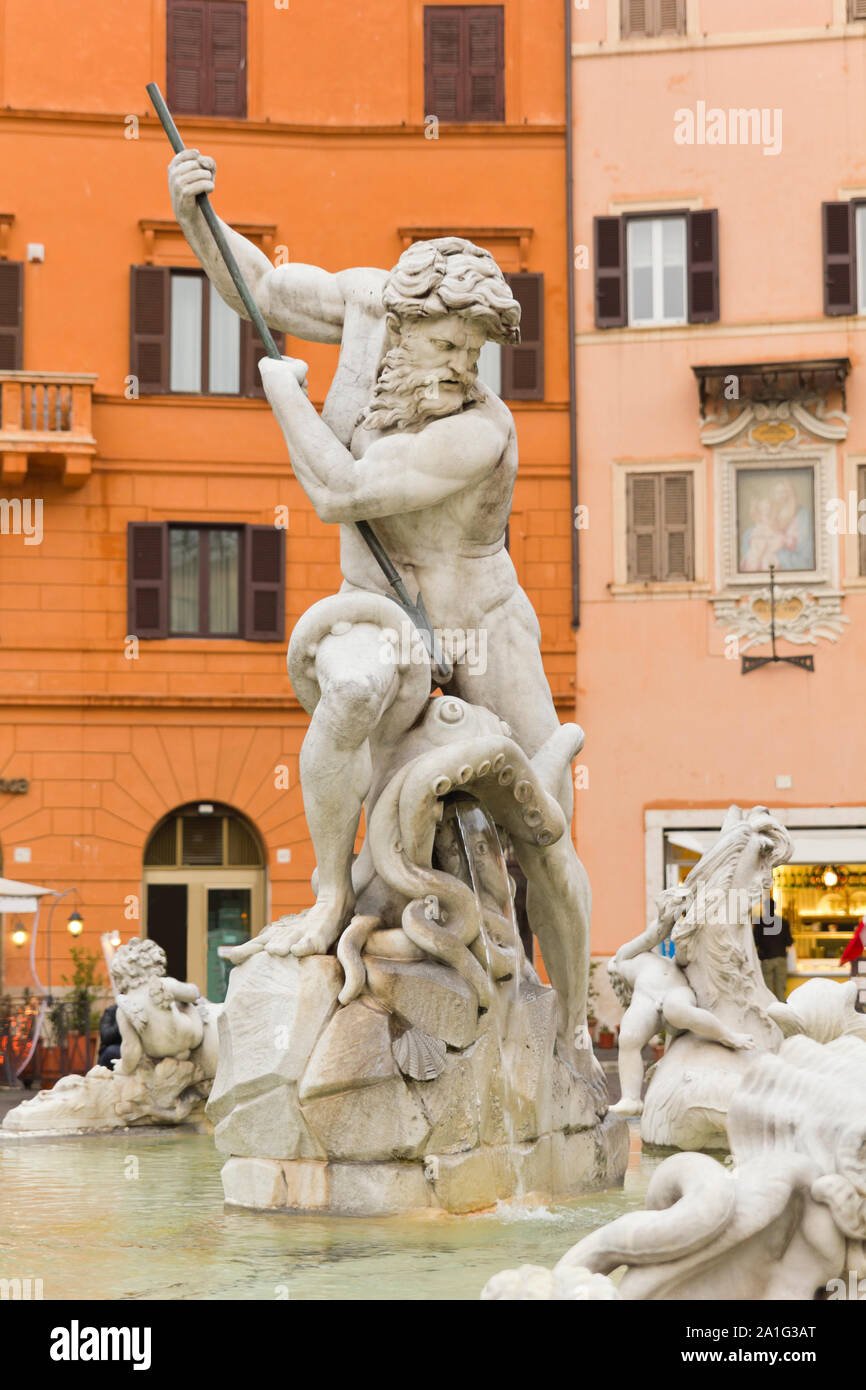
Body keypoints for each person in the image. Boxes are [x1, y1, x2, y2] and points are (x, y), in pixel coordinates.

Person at [752, 893, 794, 1001]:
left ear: (764, 908)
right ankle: (782, 1014)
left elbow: (755, 942)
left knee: (768, 991)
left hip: (766, 959)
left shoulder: (759, 923)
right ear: (774, 907)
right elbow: (789, 942)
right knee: (781, 990)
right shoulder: (783, 922)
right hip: (780, 958)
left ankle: (770, 1014)